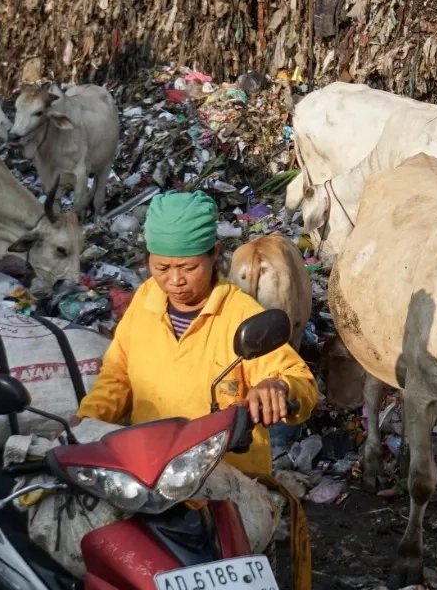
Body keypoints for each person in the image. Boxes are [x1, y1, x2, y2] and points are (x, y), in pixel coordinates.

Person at [74, 190, 317, 477]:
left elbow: (300, 381)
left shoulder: (240, 313)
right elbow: (117, 376)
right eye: (161, 267)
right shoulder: (145, 300)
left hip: (225, 476)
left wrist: (278, 387)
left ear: (214, 254)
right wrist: (85, 423)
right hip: (151, 472)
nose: (175, 280)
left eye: (188, 267)